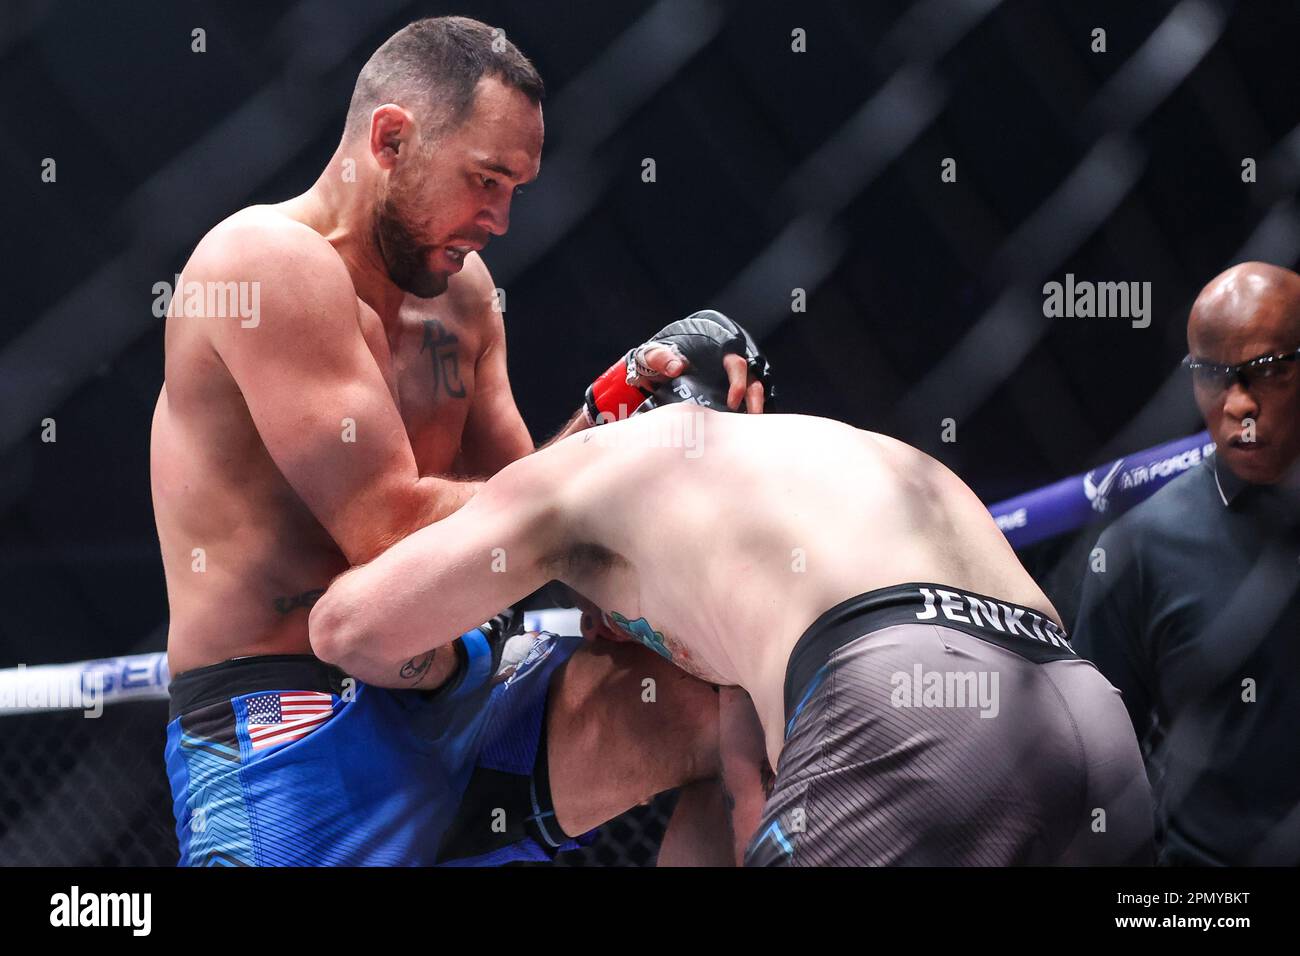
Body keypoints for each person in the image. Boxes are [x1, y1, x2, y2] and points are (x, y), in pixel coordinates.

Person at [151, 15, 768, 866]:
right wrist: (623, 465)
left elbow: (532, 510)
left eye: (516, 187)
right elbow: (389, 526)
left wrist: (616, 416)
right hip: (290, 730)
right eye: (486, 179)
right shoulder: (261, 266)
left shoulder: (464, 295)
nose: (502, 219)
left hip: (471, 692)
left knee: (739, 706)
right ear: (391, 138)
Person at [310, 405, 1154, 865]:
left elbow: (349, 629)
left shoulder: (581, 470)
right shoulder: (810, 462)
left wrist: (466, 653)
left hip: (902, 700)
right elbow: (740, 809)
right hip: (1093, 720)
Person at [1074, 261, 1300, 865]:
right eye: (1212, 376)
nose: (1239, 406)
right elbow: (1097, 763)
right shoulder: (1138, 548)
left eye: (1269, 370)